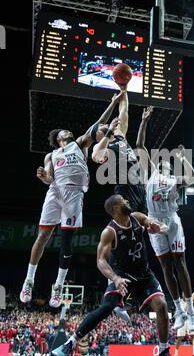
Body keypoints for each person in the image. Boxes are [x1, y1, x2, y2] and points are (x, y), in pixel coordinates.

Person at [20, 93, 122, 308]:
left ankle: (58, 286)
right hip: (56, 192)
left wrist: (112, 103)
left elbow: (96, 125)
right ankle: (29, 280)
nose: (68, 131)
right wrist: (43, 176)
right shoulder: (52, 155)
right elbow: (49, 178)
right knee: (43, 236)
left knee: (67, 242)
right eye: (64, 131)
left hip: (75, 194)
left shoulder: (80, 144)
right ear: (58, 137)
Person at [52, 194, 176, 356]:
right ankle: (69, 344)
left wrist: (159, 228)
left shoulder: (137, 218)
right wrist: (115, 278)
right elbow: (100, 260)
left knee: (162, 306)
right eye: (123, 201)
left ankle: (163, 352)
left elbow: (152, 222)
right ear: (116, 208)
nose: (127, 201)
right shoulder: (109, 232)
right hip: (122, 277)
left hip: (144, 276)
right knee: (106, 308)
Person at [136, 106, 194, 333]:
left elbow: (192, 178)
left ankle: (190, 311)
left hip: (171, 221)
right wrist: (144, 122)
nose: (163, 165)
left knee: (179, 263)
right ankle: (179, 311)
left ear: (170, 169)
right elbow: (140, 147)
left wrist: (184, 159)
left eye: (168, 165)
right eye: (161, 163)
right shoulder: (151, 175)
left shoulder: (174, 180)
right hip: (154, 221)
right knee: (165, 265)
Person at [92, 88, 147, 213]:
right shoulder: (99, 146)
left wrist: (124, 88)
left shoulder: (120, 135)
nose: (106, 124)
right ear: (99, 133)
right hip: (125, 186)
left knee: (144, 224)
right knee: (129, 221)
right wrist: (109, 131)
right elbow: (96, 157)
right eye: (103, 125)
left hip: (139, 184)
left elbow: (124, 110)